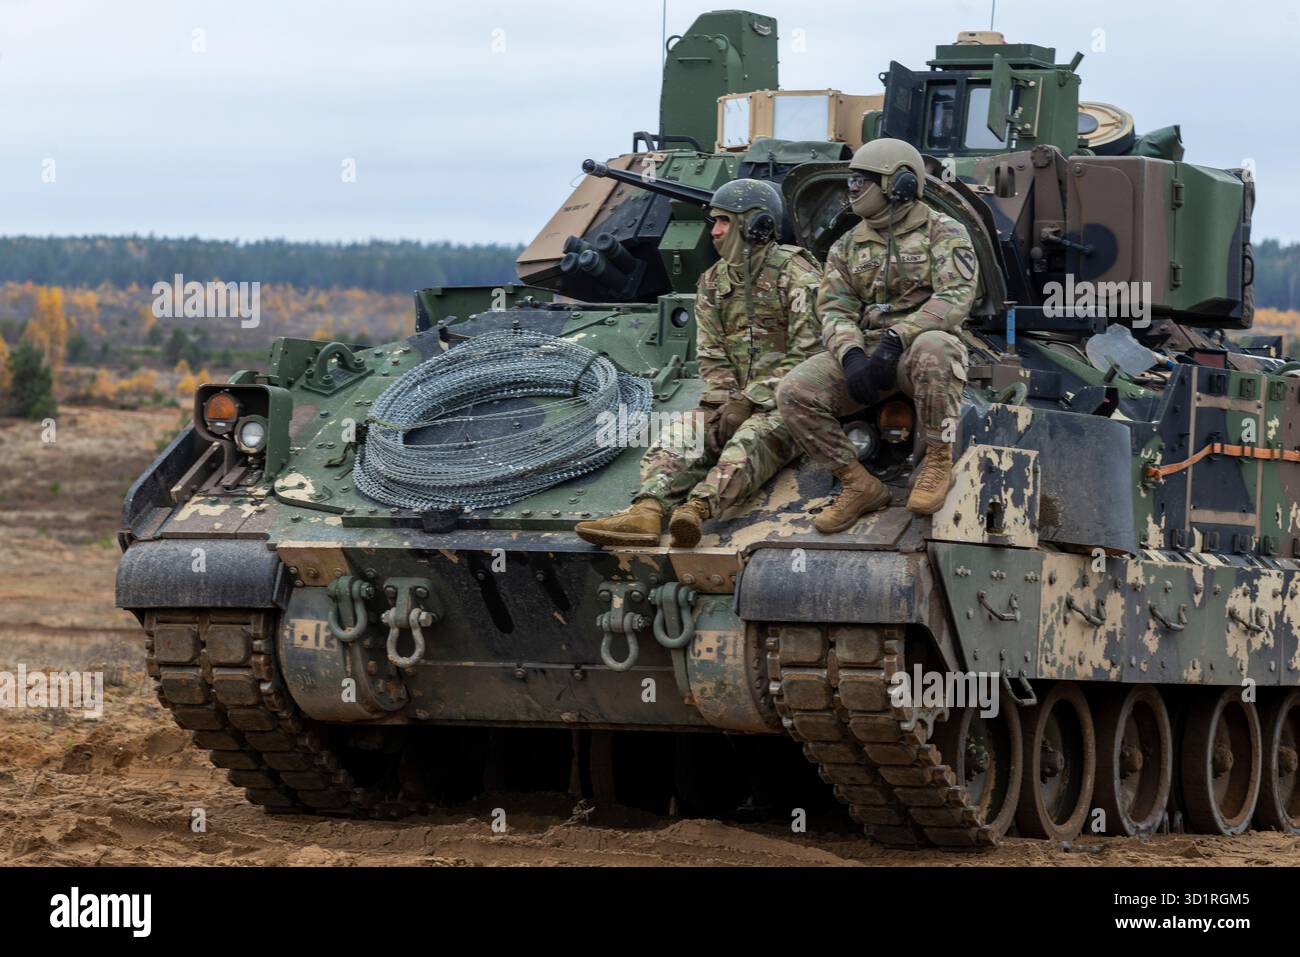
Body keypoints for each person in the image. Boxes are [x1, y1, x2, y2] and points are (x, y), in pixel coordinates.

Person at [575, 178, 823, 549]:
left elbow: (810, 353)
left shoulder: (796, 276)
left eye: (724, 221)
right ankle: (646, 510)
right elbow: (711, 354)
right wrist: (724, 402)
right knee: (683, 431)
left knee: (752, 439)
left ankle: (696, 509)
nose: (715, 232)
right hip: (734, 401)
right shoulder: (712, 282)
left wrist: (751, 400)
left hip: (793, 402)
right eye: (715, 223)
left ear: (756, 224)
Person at [776, 138, 979, 533]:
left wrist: (897, 338)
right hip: (868, 347)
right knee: (793, 391)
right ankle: (858, 483)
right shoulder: (847, 245)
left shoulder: (943, 231)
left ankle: (938, 461)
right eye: (851, 180)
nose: (852, 189)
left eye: (863, 180)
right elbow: (834, 309)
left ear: (899, 184)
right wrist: (852, 355)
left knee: (936, 349)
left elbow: (955, 296)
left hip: (921, 344)